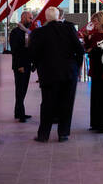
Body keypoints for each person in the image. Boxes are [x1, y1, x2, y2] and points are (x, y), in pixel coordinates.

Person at [27, 7, 83, 142]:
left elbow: (32, 54)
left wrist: (38, 66)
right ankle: (63, 134)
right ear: (58, 17)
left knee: (47, 103)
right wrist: (77, 67)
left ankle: (43, 135)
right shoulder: (69, 29)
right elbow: (80, 50)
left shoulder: (38, 33)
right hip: (69, 73)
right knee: (67, 103)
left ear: (46, 18)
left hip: (48, 74)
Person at [9, 10, 34, 120]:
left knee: (23, 89)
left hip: (27, 64)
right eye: (30, 18)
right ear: (23, 18)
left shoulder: (27, 31)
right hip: (20, 65)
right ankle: (20, 114)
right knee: (20, 89)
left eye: (32, 18)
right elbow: (15, 50)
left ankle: (18, 112)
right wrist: (20, 65)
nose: (31, 20)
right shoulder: (15, 32)